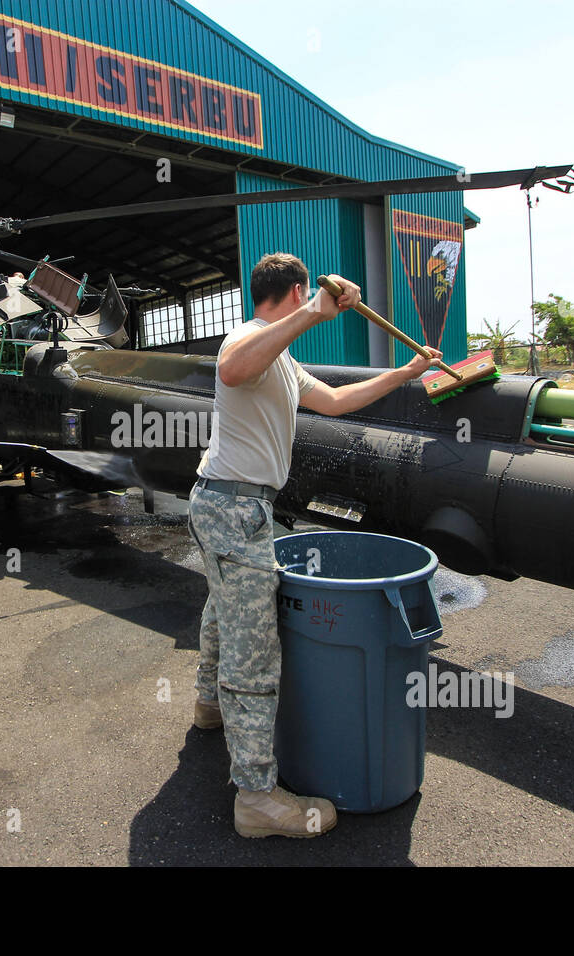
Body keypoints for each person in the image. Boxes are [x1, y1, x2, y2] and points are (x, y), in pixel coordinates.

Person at [189, 252, 443, 839]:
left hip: (233, 506)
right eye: (304, 299)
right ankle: (254, 798)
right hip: (232, 505)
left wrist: (406, 373)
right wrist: (314, 312)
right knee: (255, 649)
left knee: (223, 610)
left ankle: (207, 705)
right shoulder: (250, 339)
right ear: (298, 289)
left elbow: (333, 401)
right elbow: (229, 369)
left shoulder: (282, 358)